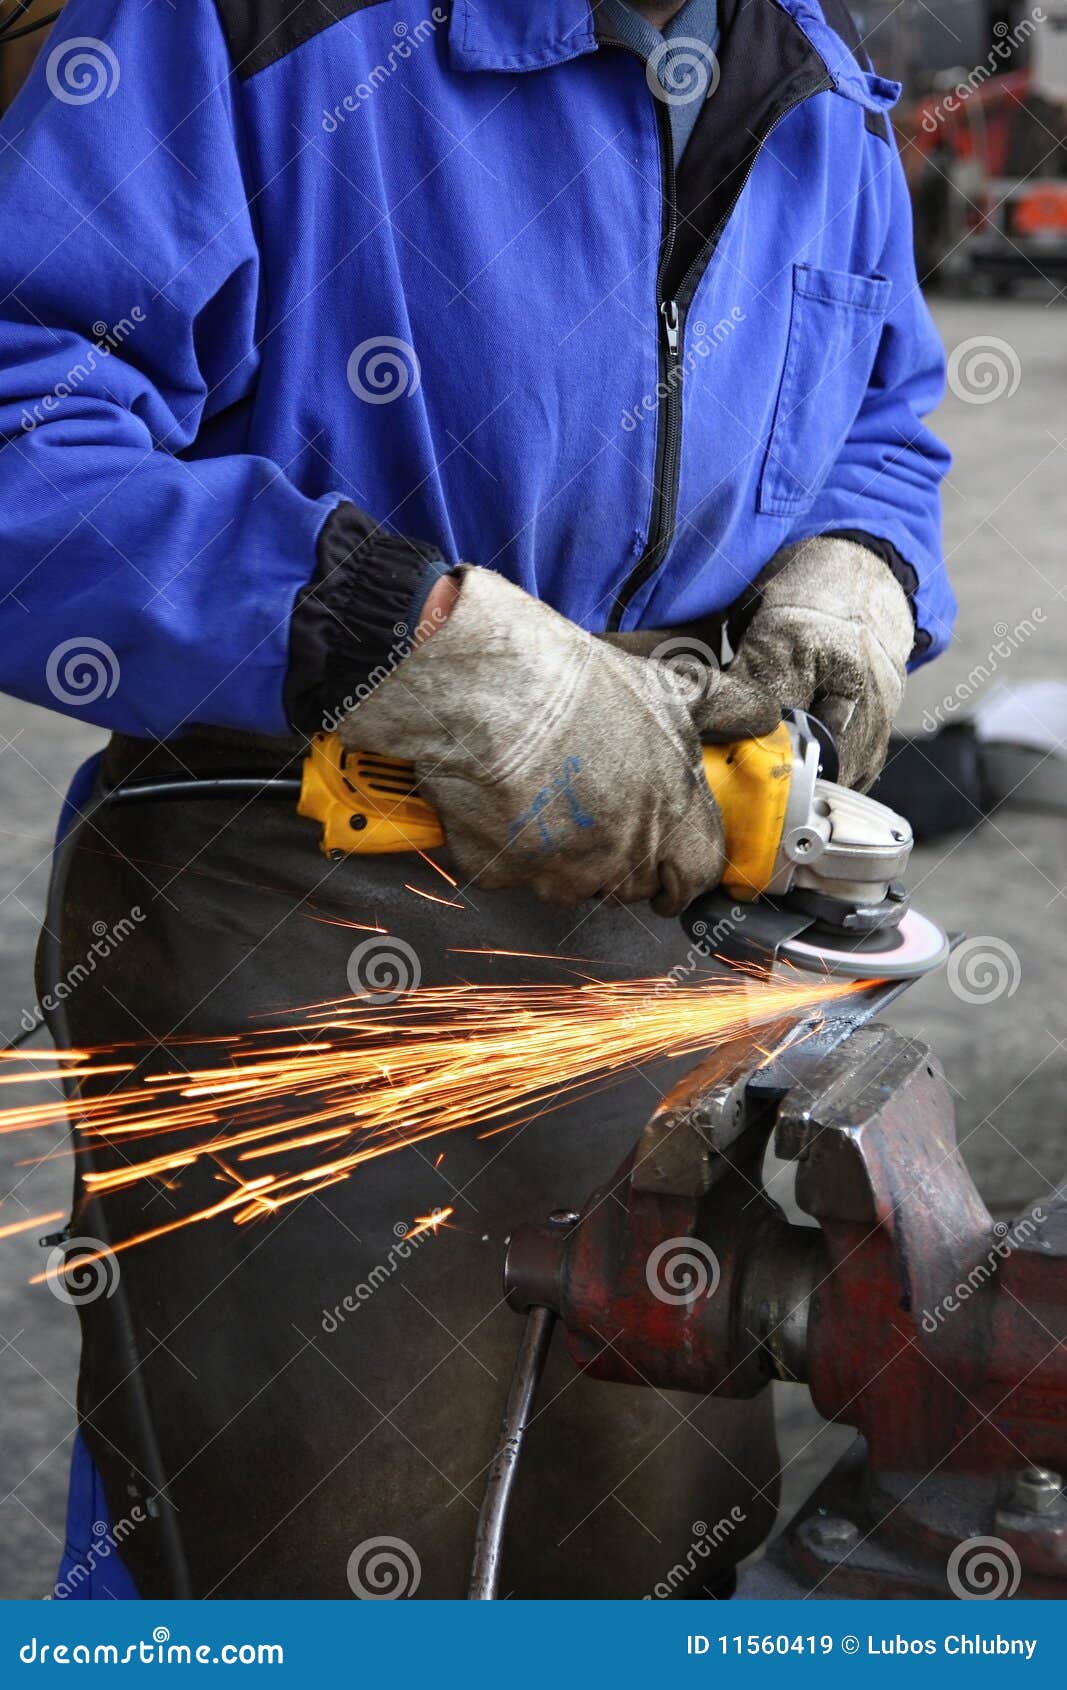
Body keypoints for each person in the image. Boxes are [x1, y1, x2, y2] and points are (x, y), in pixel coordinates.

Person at [0, 0, 952, 1597]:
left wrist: (864, 563)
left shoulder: (823, 80)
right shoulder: (239, 28)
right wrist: (395, 634)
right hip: (295, 921)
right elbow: (26, 430)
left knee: (642, 1551)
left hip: (670, 934)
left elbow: (883, 411)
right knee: (289, 1561)